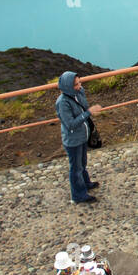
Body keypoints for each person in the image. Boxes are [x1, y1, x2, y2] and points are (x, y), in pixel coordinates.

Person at [55, 71, 102, 204]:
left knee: (82, 163)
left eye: (79, 82)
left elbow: (84, 107)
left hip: (82, 136)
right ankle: (78, 195)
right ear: (67, 87)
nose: (79, 86)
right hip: (73, 140)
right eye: (76, 84)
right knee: (76, 168)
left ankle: (85, 183)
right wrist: (89, 113)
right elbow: (70, 124)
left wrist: (86, 108)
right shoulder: (62, 103)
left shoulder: (78, 93)